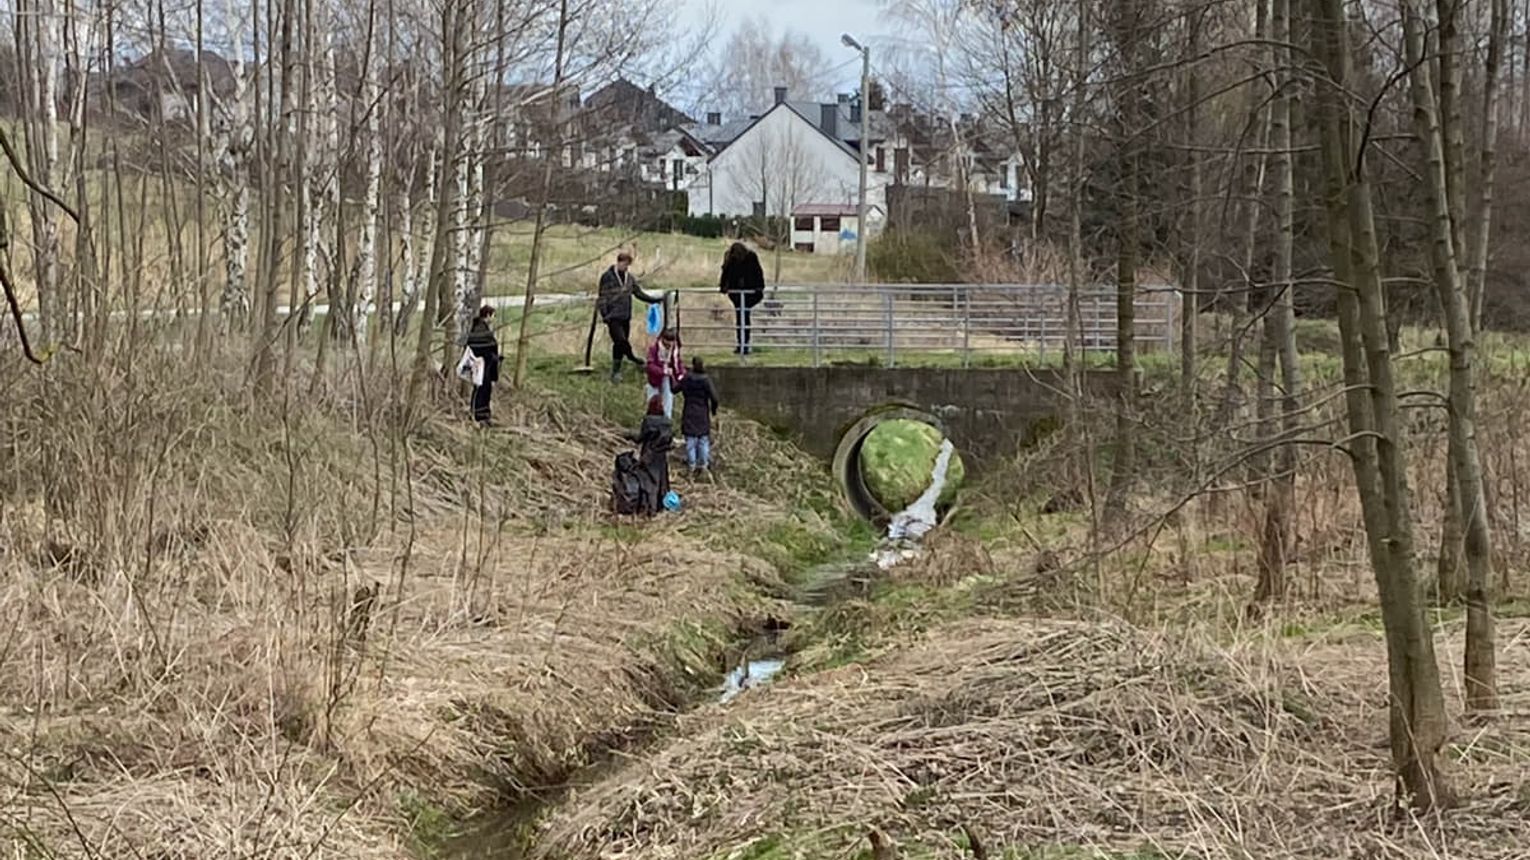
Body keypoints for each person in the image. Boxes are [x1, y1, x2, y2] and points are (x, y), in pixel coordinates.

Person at [598, 252, 663, 382]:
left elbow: (638, 293)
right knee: (621, 340)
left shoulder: (630, 278)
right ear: (619, 262)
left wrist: (654, 300)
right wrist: (605, 314)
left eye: (628, 265)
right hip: (613, 316)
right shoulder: (607, 277)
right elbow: (602, 297)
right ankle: (632, 357)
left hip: (625, 315)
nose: (626, 267)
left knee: (619, 344)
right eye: (625, 264)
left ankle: (616, 371)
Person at [624, 395, 674, 515]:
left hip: (649, 454)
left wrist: (629, 435)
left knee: (649, 482)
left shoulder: (648, 420)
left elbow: (641, 438)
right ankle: (662, 505)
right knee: (662, 482)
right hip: (661, 457)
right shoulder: (667, 421)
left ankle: (650, 508)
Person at [718, 241, 765, 355]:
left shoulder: (750, 257)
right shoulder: (731, 258)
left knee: (743, 318)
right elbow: (725, 273)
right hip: (738, 294)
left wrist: (759, 287)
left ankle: (743, 344)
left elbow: (758, 273)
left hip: (749, 293)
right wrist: (723, 286)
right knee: (742, 318)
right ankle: (742, 344)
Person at [678, 356, 720, 476]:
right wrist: (713, 410)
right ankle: (704, 465)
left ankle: (691, 466)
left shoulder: (687, 378)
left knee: (690, 441)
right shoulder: (706, 380)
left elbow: (674, 388)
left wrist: (676, 378)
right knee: (703, 440)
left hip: (689, 411)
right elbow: (715, 398)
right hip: (702, 412)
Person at [464, 304, 500, 425]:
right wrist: (493, 357)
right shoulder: (481, 330)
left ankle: (481, 414)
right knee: (482, 390)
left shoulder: (479, 328)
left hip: (483, 365)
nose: (493, 319)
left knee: (483, 389)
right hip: (482, 365)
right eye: (493, 316)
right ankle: (479, 415)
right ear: (488, 315)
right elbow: (484, 348)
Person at [645, 328, 685, 419]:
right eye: (667, 342)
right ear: (662, 339)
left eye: (671, 342)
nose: (669, 345)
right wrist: (663, 371)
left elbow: (678, 363)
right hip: (654, 379)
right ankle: (651, 420)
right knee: (653, 401)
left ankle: (667, 420)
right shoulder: (654, 348)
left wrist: (682, 374)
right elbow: (650, 366)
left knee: (668, 399)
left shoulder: (675, 349)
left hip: (668, 378)